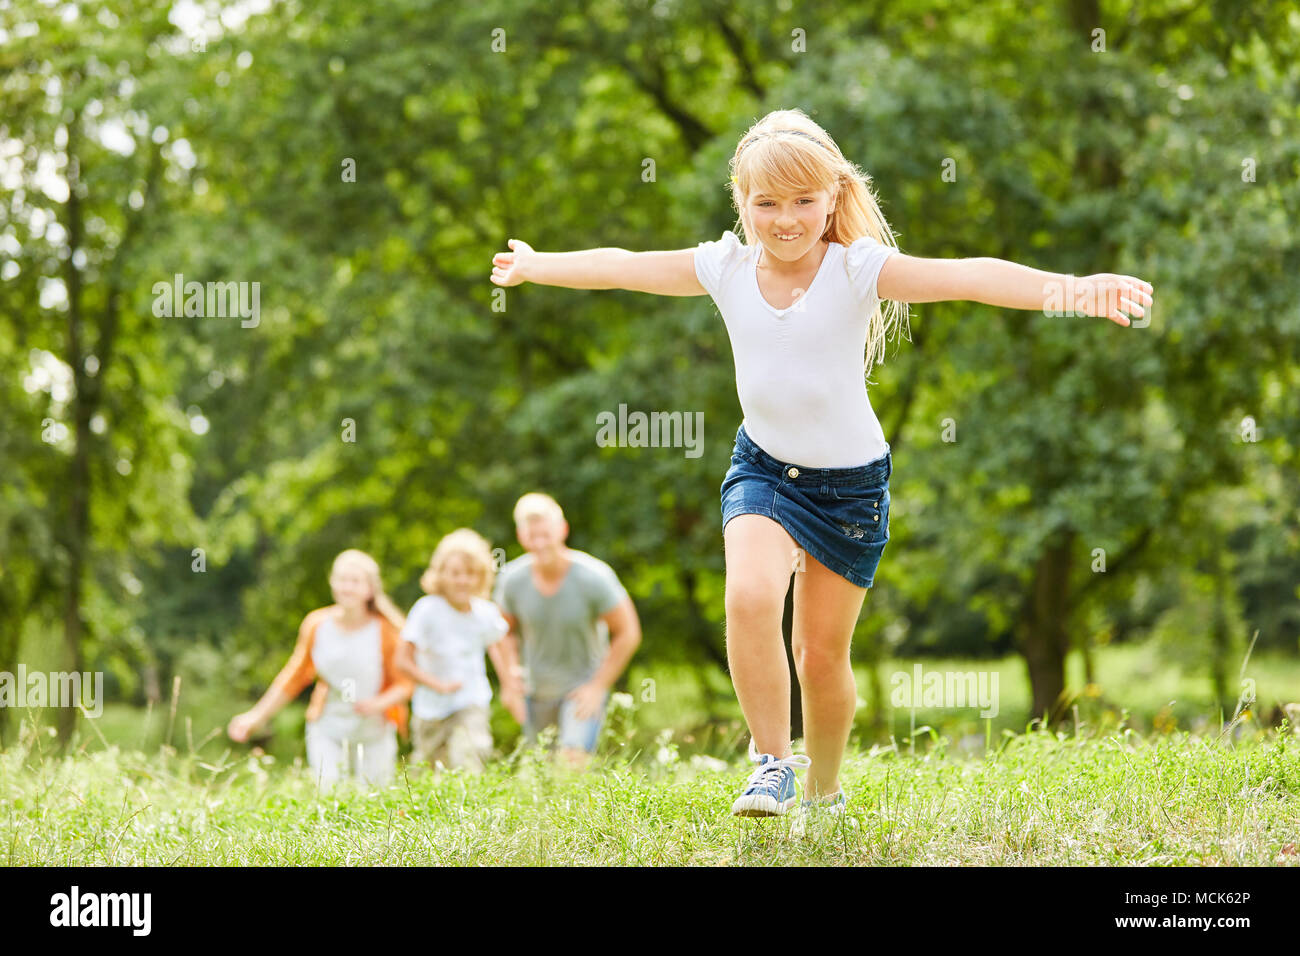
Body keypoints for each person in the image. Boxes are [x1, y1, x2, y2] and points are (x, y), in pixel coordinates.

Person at [488, 107, 1153, 828]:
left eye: (804, 201)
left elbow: (970, 276)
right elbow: (624, 266)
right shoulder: (725, 267)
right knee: (747, 597)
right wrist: (536, 265)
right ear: (740, 204)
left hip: (851, 490)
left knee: (820, 657)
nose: (785, 219)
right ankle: (772, 763)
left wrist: (1077, 290)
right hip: (764, 471)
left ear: (834, 196)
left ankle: (826, 792)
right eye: (765, 203)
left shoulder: (857, 269)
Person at [227, 549, 414, 788]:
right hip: (328, 727)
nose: (347, 587)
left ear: (369, 589)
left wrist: (379, 703)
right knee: (329, 795)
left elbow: (405, 684)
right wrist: (256, 717)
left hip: (374, 732)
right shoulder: (316, 625)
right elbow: (293, 678)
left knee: (375, 800)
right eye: (342, 580)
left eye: (355, 581)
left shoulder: (386, 631)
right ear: (333, 583)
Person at [492, 493, 641, 769]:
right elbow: (500, 632)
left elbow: (628, 631)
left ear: (562, 530)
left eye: (545, 534)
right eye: (531, 536)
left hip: (580, 690)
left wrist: (598, 686)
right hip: (535, 693)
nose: (539, 543)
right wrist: (510, 680)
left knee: (572, 763)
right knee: (544, 773)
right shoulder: (511, 580)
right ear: (520, 536)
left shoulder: (594, 576)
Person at [397, 527, 521, 774]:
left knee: (470, 754)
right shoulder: (427, 610)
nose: (463, 580)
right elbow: (402, 661)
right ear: (441, 574)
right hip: (431, 708)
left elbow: (498, 644)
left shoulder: (485, 613)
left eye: (470, 574)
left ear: (481, 577)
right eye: (455, 573)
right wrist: (436, 684)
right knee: (429, 770)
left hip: (470, 700)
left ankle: (471, 809)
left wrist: (509, 682)